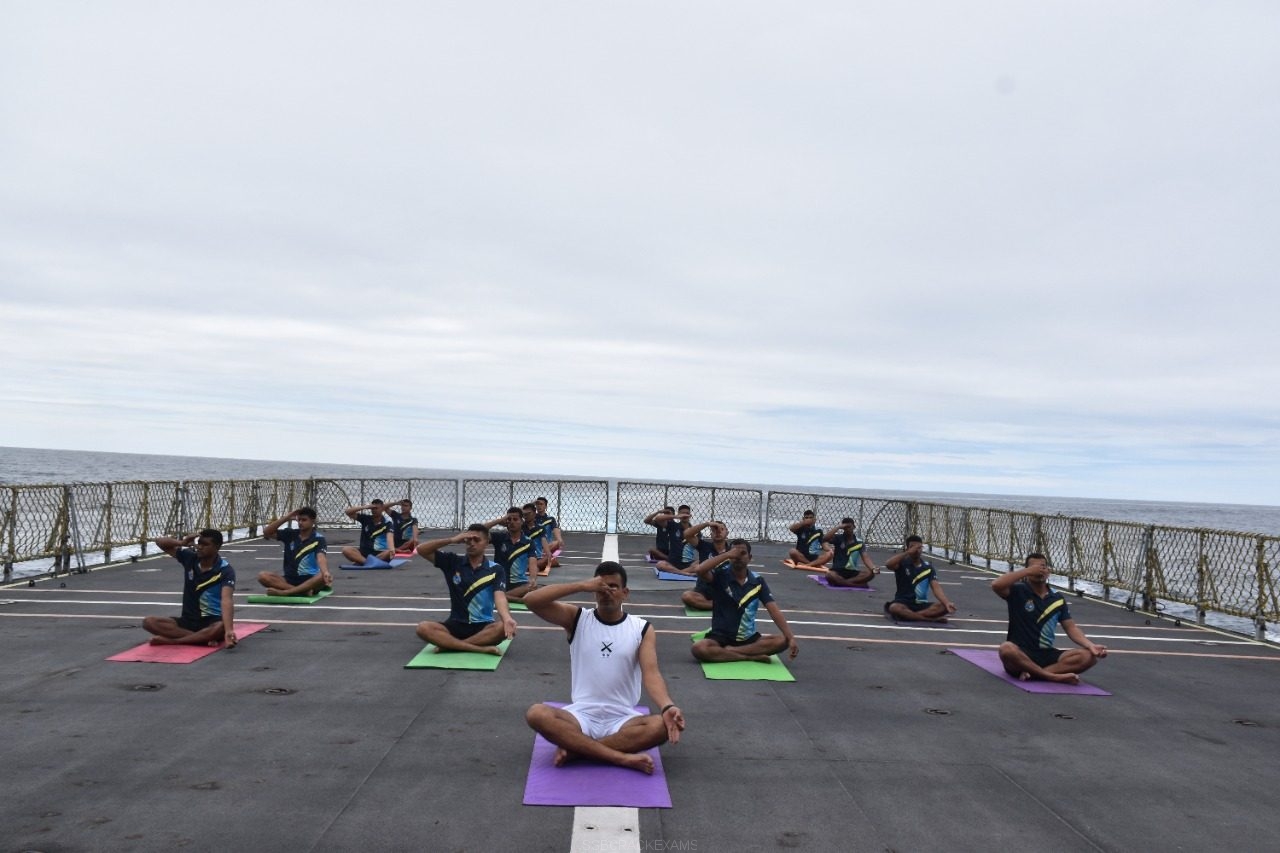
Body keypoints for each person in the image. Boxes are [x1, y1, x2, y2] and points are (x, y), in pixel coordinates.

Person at [524, 561, 685, 774]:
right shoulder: (577, 619)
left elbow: (651, 673)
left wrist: (667, 706)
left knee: (659, 726)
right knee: (537, 713)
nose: (607, 591)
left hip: (622, 718)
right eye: (601, 586)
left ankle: (577, 750)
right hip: (581, 716)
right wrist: (581, 585)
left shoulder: (641, 628)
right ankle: (619, 757)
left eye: (613, 586)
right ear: (593, 590)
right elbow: (531, 601)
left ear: (625, 593)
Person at [992, 554, 1107, 684]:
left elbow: (1071, 628)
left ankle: (1036, 674)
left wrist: (1091, 646)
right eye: (1034, 568)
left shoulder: (1057, 598)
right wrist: (1027, 571)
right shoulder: (1018, 591)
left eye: (1042, 567)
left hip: (1046, 654)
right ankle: (1052, 676)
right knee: (1006, 649)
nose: (1039, 571)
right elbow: (996, 585)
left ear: (1048, 571)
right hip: (1020, 654)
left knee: (1088, 657)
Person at [691, 540, 799, 664]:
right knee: (699, 649)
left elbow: (773, 610)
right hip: (720, 636)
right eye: (734, 553)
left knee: (783, 640)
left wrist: (791, 637)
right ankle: (748, 656)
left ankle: (732, 652)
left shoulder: (757, 581)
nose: (738, 557)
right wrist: (726, 555)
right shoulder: (720, 576)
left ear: (750, 557)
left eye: (742, 553)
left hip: (748, 638)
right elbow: (700, 570)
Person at [415, 524, 517, 654]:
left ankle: (450, 645)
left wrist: (507, 618)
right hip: (455, 624)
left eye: (477, 540)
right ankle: (478, 648)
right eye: (468, 540)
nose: (472, 543)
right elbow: (421, 550)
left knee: (503, 627)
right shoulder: (452, 562)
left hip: (483, 626)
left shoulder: (496, 569)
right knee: (423, 628)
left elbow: (500, 597)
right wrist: (452, 540)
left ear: (486, 543)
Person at [143, 529, 237, 647]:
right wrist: (181, 543)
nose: (200, 547)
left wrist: (229, 630)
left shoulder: (225, 570)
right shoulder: (190, 558)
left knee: (219, 628)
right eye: (199, 543)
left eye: (205, 544)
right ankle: (200, 638)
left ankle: (174, 641)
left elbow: (226, 599)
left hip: (211, 621)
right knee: (149, 622)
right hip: (188, 621)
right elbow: (159, 542)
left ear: (217, 547)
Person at [258, 507, 332, 596]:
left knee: (321, 575)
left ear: (313, 521)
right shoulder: (290, 534)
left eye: (304, 520)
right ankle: (301, 591)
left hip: (310, 580)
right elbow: (267, 532)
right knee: (262, 576)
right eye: (299, 520)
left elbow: (321, 557)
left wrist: (325, 571)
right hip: (289, 580)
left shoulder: (319, 538)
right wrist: (287, 517)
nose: (300, 523)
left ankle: (286, 592)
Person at [884, 535, 956, 623]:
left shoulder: (927, 567)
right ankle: (927, 619)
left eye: (918, 547)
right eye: (912, 547)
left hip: (921, 605)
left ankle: (911, 616)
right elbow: (888, 564)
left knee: (944, 607)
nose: (916, 550)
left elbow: (936, 587)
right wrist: (908, 552)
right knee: (894, 608)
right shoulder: (902, 563)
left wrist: (946, 602)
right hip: (903, 603)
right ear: (908, 548)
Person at [675, 519, 730, 612]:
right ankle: (719, 605)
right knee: (687, 596)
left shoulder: (732, 550)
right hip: (704, 590)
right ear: (711, 534)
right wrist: (707, 524)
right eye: (714, 530)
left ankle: (716, 603)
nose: (718, 532)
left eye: (721, 529)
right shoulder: (704, 546)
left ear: (727, 532)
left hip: (724, 589)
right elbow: (687, 534)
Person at [486, 507, 538, 602]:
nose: (512, 522)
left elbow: (533, 562)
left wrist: (533, 579)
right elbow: (477, 531)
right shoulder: (499, 537)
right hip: (500, 581)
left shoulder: (528, 542)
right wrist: (499, 520)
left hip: (519, 584)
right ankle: (518, 600)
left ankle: (503, 596)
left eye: (515, 519)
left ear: (522, 521)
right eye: (509, 519)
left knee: (534, 587)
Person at [823, 518, 878, 587]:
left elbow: (865, 558)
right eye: (845, 527)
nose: (848, 529)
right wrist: (838, 527)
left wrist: (873, 568)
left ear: (854, 527)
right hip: (838, 570)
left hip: (852, 572)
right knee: (829, 575)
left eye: (849, 527)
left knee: (870, 574)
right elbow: (825, 538)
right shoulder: (838, 538)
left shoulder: (859, 542)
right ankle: (853, 585)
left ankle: (844, 583)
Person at [340, 500, 395, 566]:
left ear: (382, 509)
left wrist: (391, 548)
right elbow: (348, 512)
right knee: (345, 549)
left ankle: (366, 562)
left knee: (389, 552)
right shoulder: (366, 519)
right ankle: (368, 562)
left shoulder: (387, 523)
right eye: (372, 508)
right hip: (364, 554)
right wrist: (365, 507)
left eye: (376, 508)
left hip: (379, 554)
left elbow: (390, 536)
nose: (374, 510)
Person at [652, 505, 695, 576]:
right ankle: (685, 573)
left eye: (687, 513)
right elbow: (658, 519)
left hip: (688, 563)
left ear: (690, 515)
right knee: (660, 565)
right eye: (682, 513)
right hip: (673, 562)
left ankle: (679, 572)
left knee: (702, 563)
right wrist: (675, 516)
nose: (685, 515)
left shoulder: (694, 530)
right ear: (678, 514)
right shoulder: (673, 526)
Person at [534, 496, 564, 575]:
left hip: (547, 547)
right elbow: (519, 512)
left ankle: (549, 558)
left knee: (558, 546)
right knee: (555, 563)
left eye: (541, 504)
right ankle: (547, 560)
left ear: (545, 506)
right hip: (535, 547)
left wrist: (559, 539)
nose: (539, 506)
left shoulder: (550, 519)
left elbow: (555, 529)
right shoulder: (532, 518)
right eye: (537, 504)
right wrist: (531, 503)